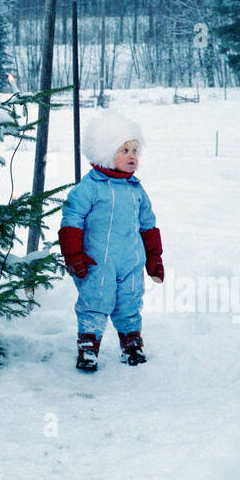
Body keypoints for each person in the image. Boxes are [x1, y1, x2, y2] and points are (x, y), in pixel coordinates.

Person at [57, 111, 164, 372]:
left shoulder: (137, 190)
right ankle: (88, 347)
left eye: (135, 151)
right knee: (95, 302)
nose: (132, 156)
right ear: (105, 152)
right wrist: (73, 256)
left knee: (130, 302)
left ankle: (131, 344)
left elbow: (148, 225)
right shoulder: (89, 188)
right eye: (124, 150)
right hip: (97, 263)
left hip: (131, 262)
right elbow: (71, 221)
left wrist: (154, 259)